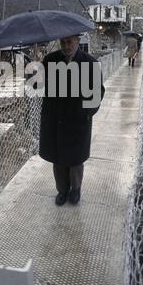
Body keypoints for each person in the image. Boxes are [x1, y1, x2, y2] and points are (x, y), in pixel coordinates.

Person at [39, 35, 105, 206]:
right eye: (63, 42)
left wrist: (87, 113)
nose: (66, 46)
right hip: (55, 120)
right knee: (58, 159)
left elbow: (98, 92)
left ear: (77, 41)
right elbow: (38, 85)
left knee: (75, 160)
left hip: (77, 121)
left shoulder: (89, 63)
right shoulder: (50, 60)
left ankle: (75, 190)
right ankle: (62, 191)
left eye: (70, 42)